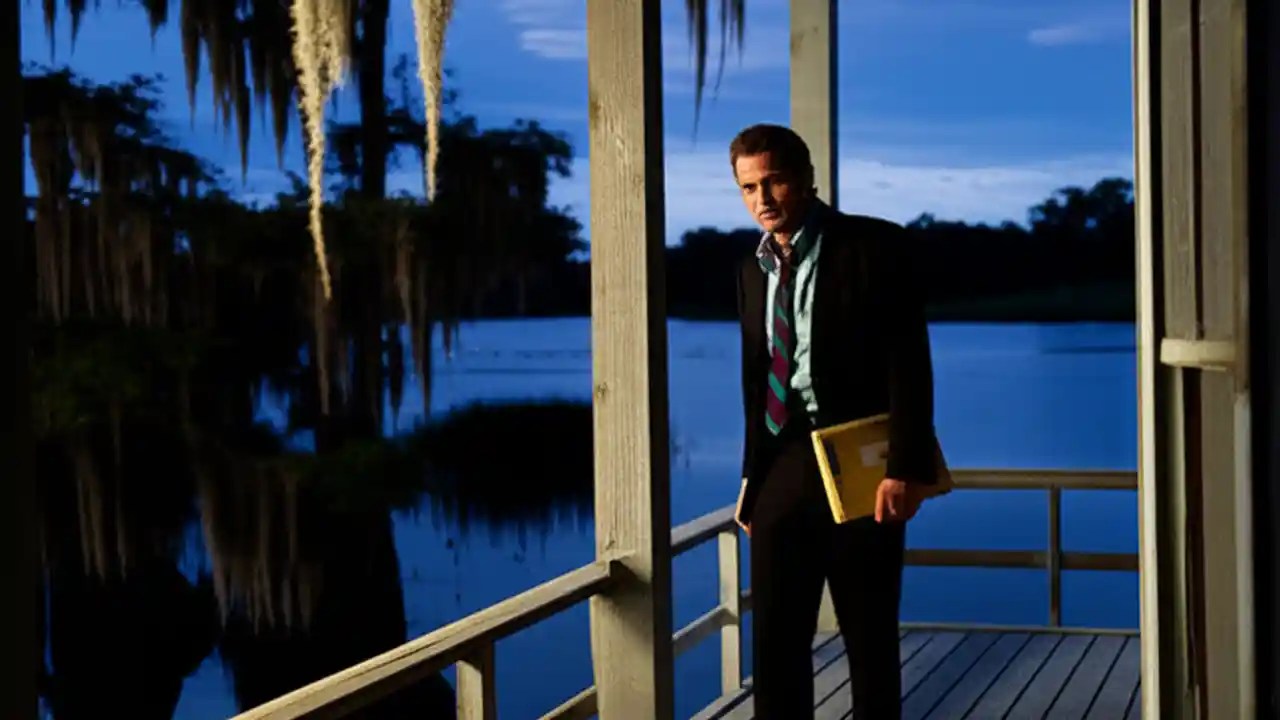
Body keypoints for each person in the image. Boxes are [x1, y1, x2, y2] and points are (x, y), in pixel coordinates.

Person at [730, 123, 938, 719]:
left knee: (869, 637)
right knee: (775, 642)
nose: (762, 199)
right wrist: (751, 482)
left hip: (860, 462)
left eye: (773, 181)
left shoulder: (875, 246)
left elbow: (909, 365)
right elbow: (757, 382)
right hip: (782, 463)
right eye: (748, 187)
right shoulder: (751, 269)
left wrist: (906, 468)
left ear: (805, 179)